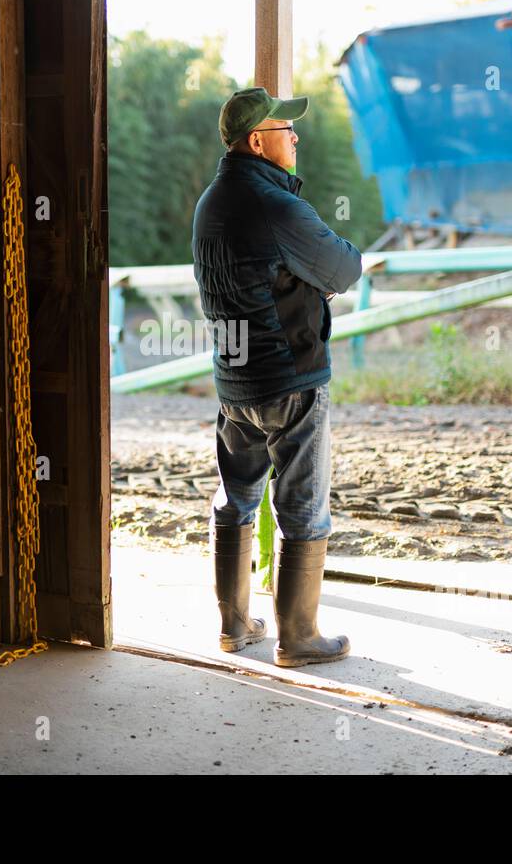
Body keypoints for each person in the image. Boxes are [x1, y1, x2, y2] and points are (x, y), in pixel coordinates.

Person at [191, 87, 363, 667]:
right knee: (305, 507)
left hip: (233, 379)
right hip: (290, 377)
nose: (296, 137)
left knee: (235, 498)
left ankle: (235, 628)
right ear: (257, 141)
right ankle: (299, 638)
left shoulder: (210, 202)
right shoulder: (276, 205)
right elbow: (343, 266)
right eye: (286, 129)